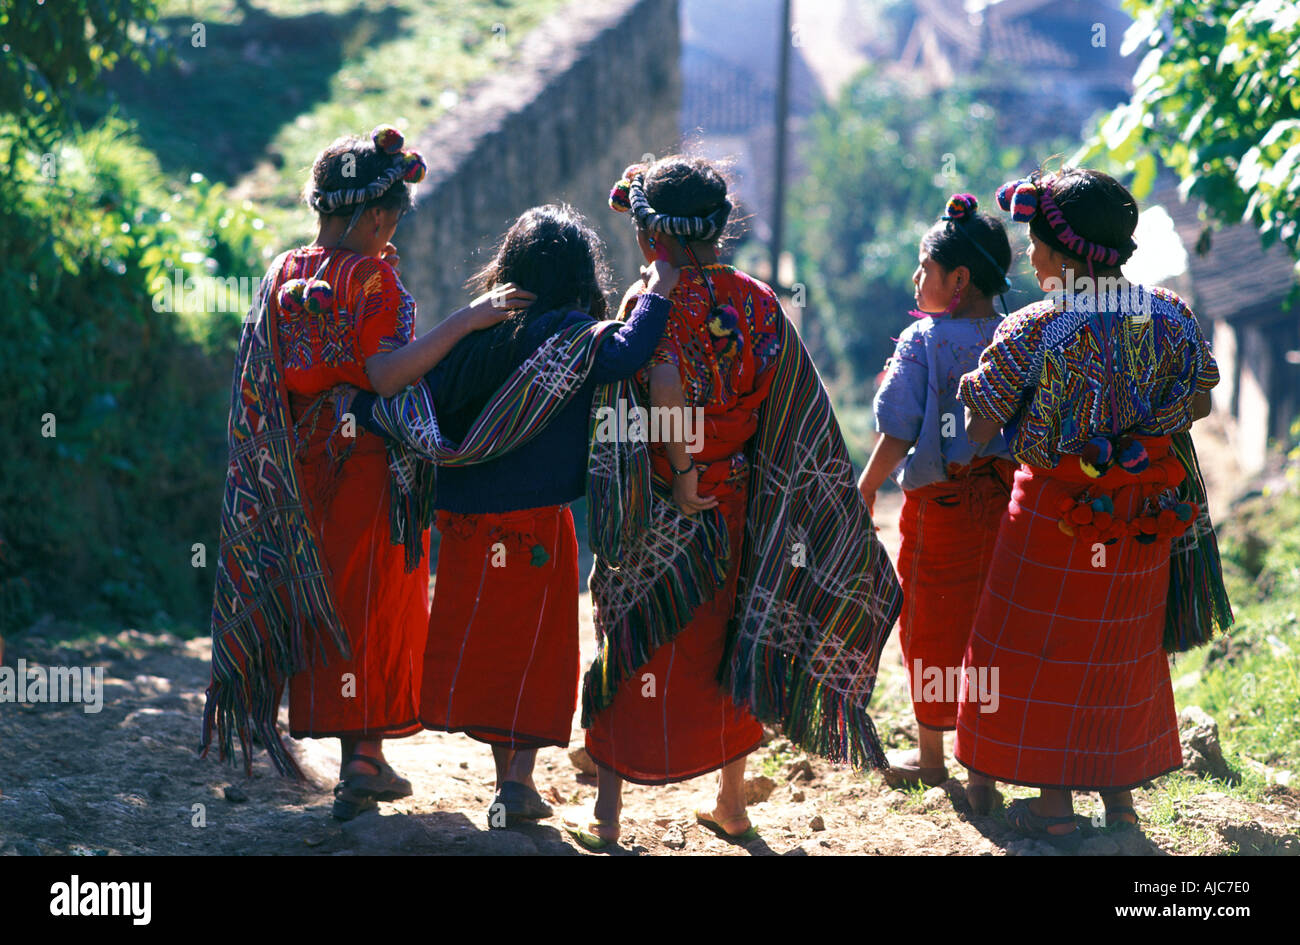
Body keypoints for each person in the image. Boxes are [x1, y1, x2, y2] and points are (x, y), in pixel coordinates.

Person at [202, 125, 533, 821]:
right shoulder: (373, 277)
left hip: (299, 477)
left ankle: (359, 753)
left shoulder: (285, 272)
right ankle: (363, 757)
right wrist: (464, 323)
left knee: (326, 599)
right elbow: (385, 374)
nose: (391, 235)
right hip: (369, 473)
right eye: (392, 220)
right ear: (378, 215)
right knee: (375, 604)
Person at [573, 157, 902, 849]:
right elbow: (792, 411)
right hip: (739, 510)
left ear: (650, 237)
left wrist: (686, 470)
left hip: (663, 508)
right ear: (721, 229)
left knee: (632, 644)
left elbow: (659, 383)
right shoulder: (759, 302)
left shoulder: (649, 305)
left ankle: (605, 815)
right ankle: (731, 804)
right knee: (734, 640)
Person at [347, 204, 675, 828]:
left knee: (491, 646)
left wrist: (359, 406)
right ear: (581, 273)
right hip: (534, 527)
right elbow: (629, 354)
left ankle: (508, 780)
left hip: (467, 525)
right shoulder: (578, 339)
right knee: (534, 653)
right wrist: (656, 292)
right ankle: (515, 784)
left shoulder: (479, 334)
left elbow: (425, 398)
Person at [955, 167, 1230, 845]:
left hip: (1056, 514)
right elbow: (1197, 402)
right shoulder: (1170, 314)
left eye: (1036, 244)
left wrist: (1003, 413)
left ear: (1062, 253)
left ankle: (1052, 806)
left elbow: (979, 432)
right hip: (1143, 515)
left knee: (1037, 651)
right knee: (1117, 651)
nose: (1030, 255)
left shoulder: (1035, 329)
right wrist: (1139, 429)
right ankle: (1122, 807)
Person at [856, 194, 1016, 812]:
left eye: (923, 269)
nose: (915, 281)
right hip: (1006, 506)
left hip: (939, 509)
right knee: (991, 627)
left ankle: (930, 757)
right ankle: (983, 770)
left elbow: (898, 425)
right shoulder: (1019, 331)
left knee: (931, 622)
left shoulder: (924, 340)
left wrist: (867, 487)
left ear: (958, 280)